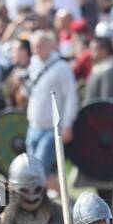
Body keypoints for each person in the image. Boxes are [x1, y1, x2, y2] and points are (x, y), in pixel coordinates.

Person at [23, 30, 77, 195]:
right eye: (35, 46)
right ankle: (60, 200)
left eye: (41, 45)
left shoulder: (61, 68)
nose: (37, 49)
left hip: (51, 128)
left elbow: (71, 97)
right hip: (34, 125)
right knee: (36, 171)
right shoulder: (33, 65)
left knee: (38, 171)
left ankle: (66, 201)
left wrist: (67, 124)